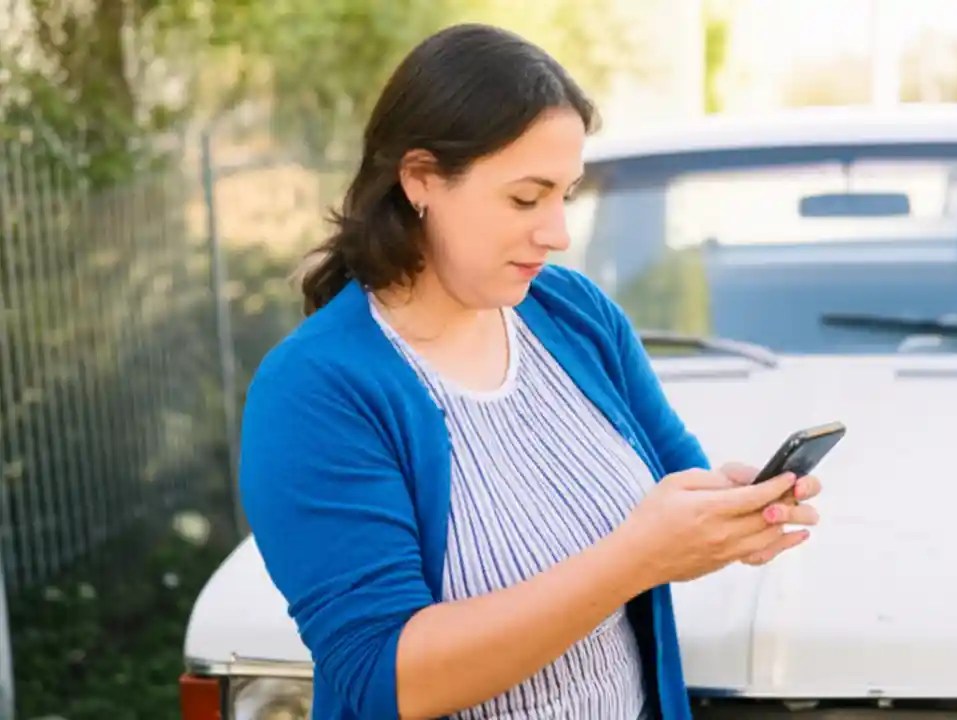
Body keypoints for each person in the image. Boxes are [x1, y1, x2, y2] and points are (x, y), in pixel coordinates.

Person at [237, 22, 823, 720]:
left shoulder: (574, 314)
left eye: (565, 196)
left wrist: (729, 517)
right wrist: (636, 558)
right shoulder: (315, 392)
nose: (557, 233)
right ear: (421, 179)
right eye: (525, 198)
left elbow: (672, 487)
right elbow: (387, 678)